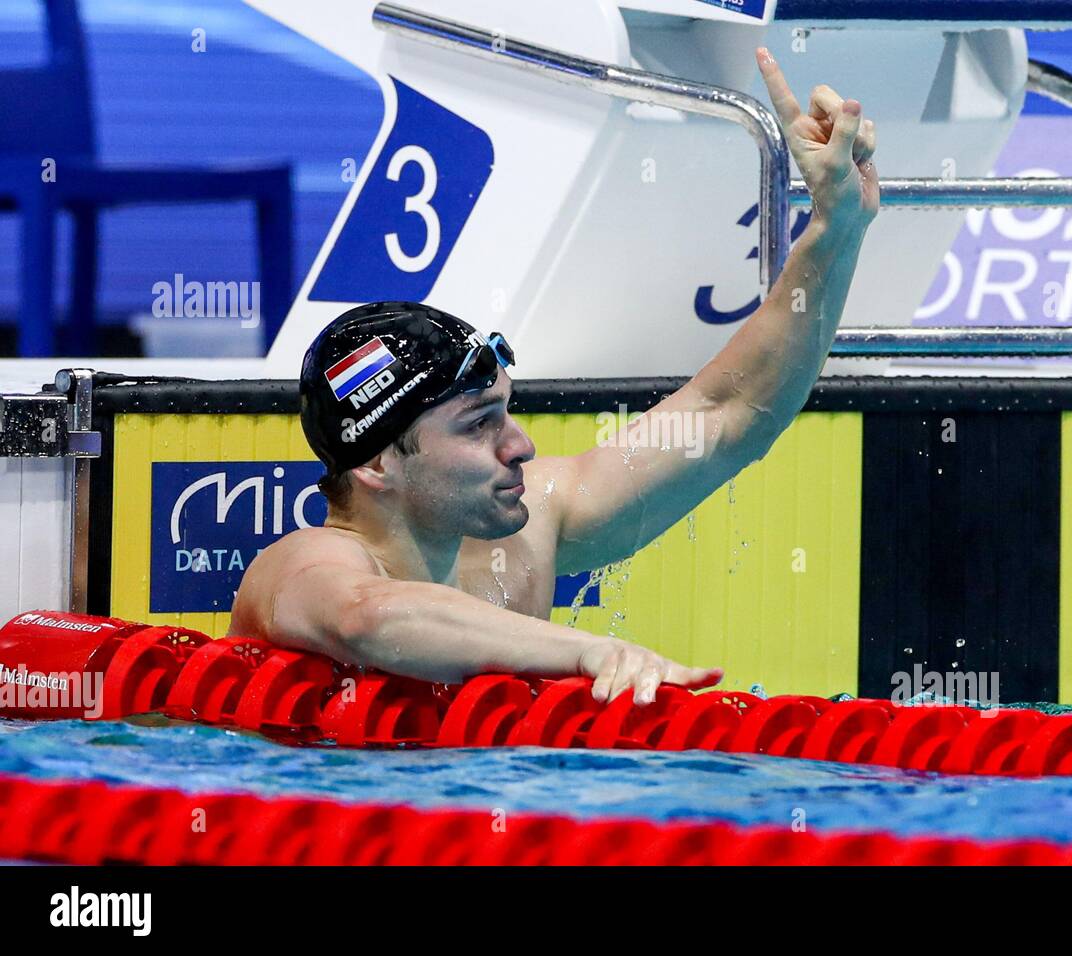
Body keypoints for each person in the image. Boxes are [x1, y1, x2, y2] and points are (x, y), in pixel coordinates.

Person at [229, 48, 879, 707]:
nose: (520, 447)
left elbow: (727, 412)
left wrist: (836, 226)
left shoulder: (527, 528)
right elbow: (369, 618)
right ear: (376, 463)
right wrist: (591, 651)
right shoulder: (301, 568)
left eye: (505, 414)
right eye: (478, 426)